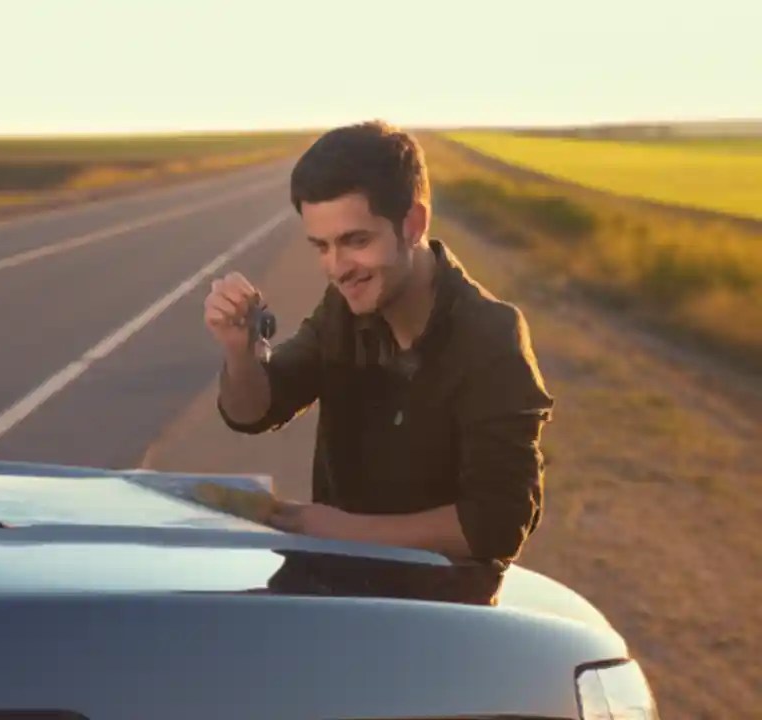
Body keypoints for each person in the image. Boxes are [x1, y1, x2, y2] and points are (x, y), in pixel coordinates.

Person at [204, 120, 554, 565]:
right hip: (338, 587)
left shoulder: (491, 336)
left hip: (439, 601)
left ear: (414, 224)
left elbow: (498, 522)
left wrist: (334, 529)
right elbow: (256, 410)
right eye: (321, 246)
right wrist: (240, 352)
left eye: (356, 241)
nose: (337, 268)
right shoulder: (343, 310)